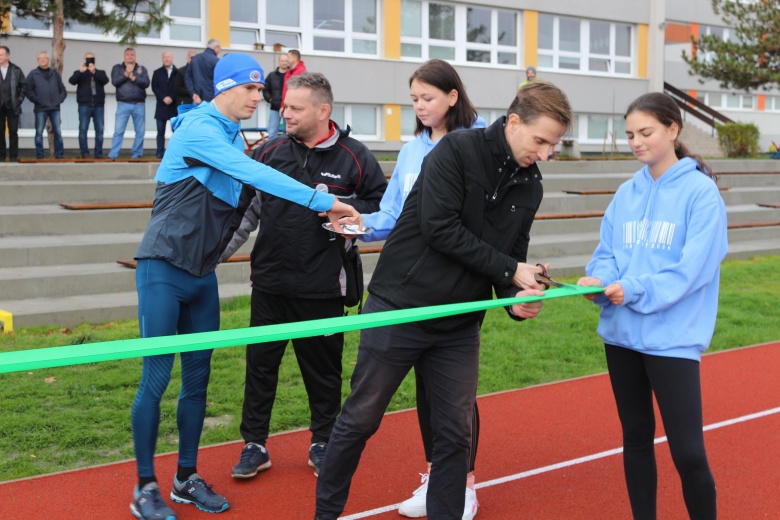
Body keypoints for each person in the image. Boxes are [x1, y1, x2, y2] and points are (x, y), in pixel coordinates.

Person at [315, 81, 573, 520]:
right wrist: (510, 270)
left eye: (554, 145)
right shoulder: (456, 150)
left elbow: (512, 257)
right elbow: (439, 228)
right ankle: (325, 515)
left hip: (459, 325)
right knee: (360, 419)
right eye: (541, 141)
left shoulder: (530, 185)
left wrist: (517, 299)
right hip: (399, 308)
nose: (546, 154)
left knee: (455, 435)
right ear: (513, 122)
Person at [129, 53, 359, 520]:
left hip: (200, 276)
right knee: (156, 379)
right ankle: (145, 487)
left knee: (197, 382)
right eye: (250, 89)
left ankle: (185, 478)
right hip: (163, 269)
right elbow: (256, 176)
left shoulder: (233, 137)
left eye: (260, 88)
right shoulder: (198, 129)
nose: (260, 97)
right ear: (225, 88)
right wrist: (323, 201)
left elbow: (241, 204)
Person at [225, 71, 387, 481]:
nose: (286, 114)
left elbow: (379, 208)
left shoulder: (355, 156)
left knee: (323, 373)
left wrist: (342, 207)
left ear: (323, 110)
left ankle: (323, 441)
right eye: (285, 106)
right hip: (270, 283)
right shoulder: (270, 151)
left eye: (296, 108)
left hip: (324, 286)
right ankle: (254, 444)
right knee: (260, 368)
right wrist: (210, 257)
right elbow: (245, 211)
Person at [577, 92, 726, 520]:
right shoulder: (627, 192)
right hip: (621, 337)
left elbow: (691, 271)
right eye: (630, 135)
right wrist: (599, 281)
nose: (636, 142)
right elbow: (606, 254)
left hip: (672, 339)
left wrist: (633, 288)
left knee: (688, 452)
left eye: (646, 132)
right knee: (637, 439)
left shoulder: (701, 193)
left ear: (673, 129)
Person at [359, 59, 485, 520]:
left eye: (427, 98)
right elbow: (392, 215)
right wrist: (356, 224)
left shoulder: (480, 142)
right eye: (414, 99)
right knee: (426, 389)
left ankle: (464, 486)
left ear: (453, 96)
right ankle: (437, 476)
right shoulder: (412, 150)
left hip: (459, 286)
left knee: (454, 395)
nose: (419, 106)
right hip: (412, 289)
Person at [108, 48, 149, 160]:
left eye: (132, 54)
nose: (130, 56)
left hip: (139, 104)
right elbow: (115, 82)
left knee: (140, 132)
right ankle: (113, 155)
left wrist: (134, 78)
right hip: (123, 103)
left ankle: (136, 155)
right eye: (127, 54)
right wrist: (126, 74)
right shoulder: (117, 68)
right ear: (124, 56)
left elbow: (146, 83)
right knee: (118, 131)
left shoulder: (141, 68)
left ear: (135, 56)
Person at [25, 51, 67, 159]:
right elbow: (27, 90)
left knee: (58, 132)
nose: (42, 60)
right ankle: (40, 155)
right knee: (39, 132)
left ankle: (59, 155)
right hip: (40, 108)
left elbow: (63, 89)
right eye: (40, 58)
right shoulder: (33, 74)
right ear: (37, 60)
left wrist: (59, 100)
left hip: (55, 108)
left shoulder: (55, 74)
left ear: (48, 60)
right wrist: (37, 100)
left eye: (44, 58)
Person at [69, 52, 109, 158]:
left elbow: (105, 80)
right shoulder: (80, 72)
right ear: (84, 60)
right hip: (84, 105)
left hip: (98, 105)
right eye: (87, 59)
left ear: (95, 61)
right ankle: (84, 153)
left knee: (99, 130)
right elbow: (71, 81)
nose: (89, 61)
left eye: (91, 59)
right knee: (83, 130)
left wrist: (94, 71)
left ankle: (98, 153)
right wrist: (80, 71)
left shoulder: (100, 72)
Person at [0, 46, 27, 162]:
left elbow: (24, 86)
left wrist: (18, 100)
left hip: (12, 106)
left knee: (13, 132)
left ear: (8, 56)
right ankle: (1, 156)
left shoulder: (16, 70)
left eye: (1, 55)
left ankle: (13, 156)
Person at [151, 51, 178, 158]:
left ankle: (174, 153)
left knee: (175, 131)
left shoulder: (177, 72)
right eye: (164, 57)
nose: (166, 59)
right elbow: (155, 87)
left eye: (168, 57)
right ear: (162, 59)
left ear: (172, 58)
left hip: (173, 106)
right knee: (160, 132)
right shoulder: (157, 72)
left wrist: (172, 97)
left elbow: (178, 87)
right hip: (161, 106)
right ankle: (160, 154)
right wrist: (163, 97)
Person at [186, 39, 220, 105]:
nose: (219, 51)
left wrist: (193, 93)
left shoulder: (195, 59)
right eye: (219, 49)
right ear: (216, 47)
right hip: (212, 99)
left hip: (197, 98)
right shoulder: (216, 61)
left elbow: (187, 77)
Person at [262, 53, 288, 138]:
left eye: (286, 61)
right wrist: (270, 99)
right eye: (282, 61)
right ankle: (272, 147)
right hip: (275, 108)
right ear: (279, 62)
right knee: (272, 132)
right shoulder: (272, 75)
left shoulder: (291, 75)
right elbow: (265, 88)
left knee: (288, 133)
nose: (284, 63)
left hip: (288, 108)